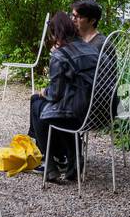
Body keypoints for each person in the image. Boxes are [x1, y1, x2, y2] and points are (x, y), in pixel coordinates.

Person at [28, 11, 99, 183]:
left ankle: (50, 162)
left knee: (37, 104)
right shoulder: (93, 48)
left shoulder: (60, 55)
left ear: (56, 33)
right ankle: (72, 159)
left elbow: (55, 94)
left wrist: (44, 91)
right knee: (50, 111)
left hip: (77, 114)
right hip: (99, 111)